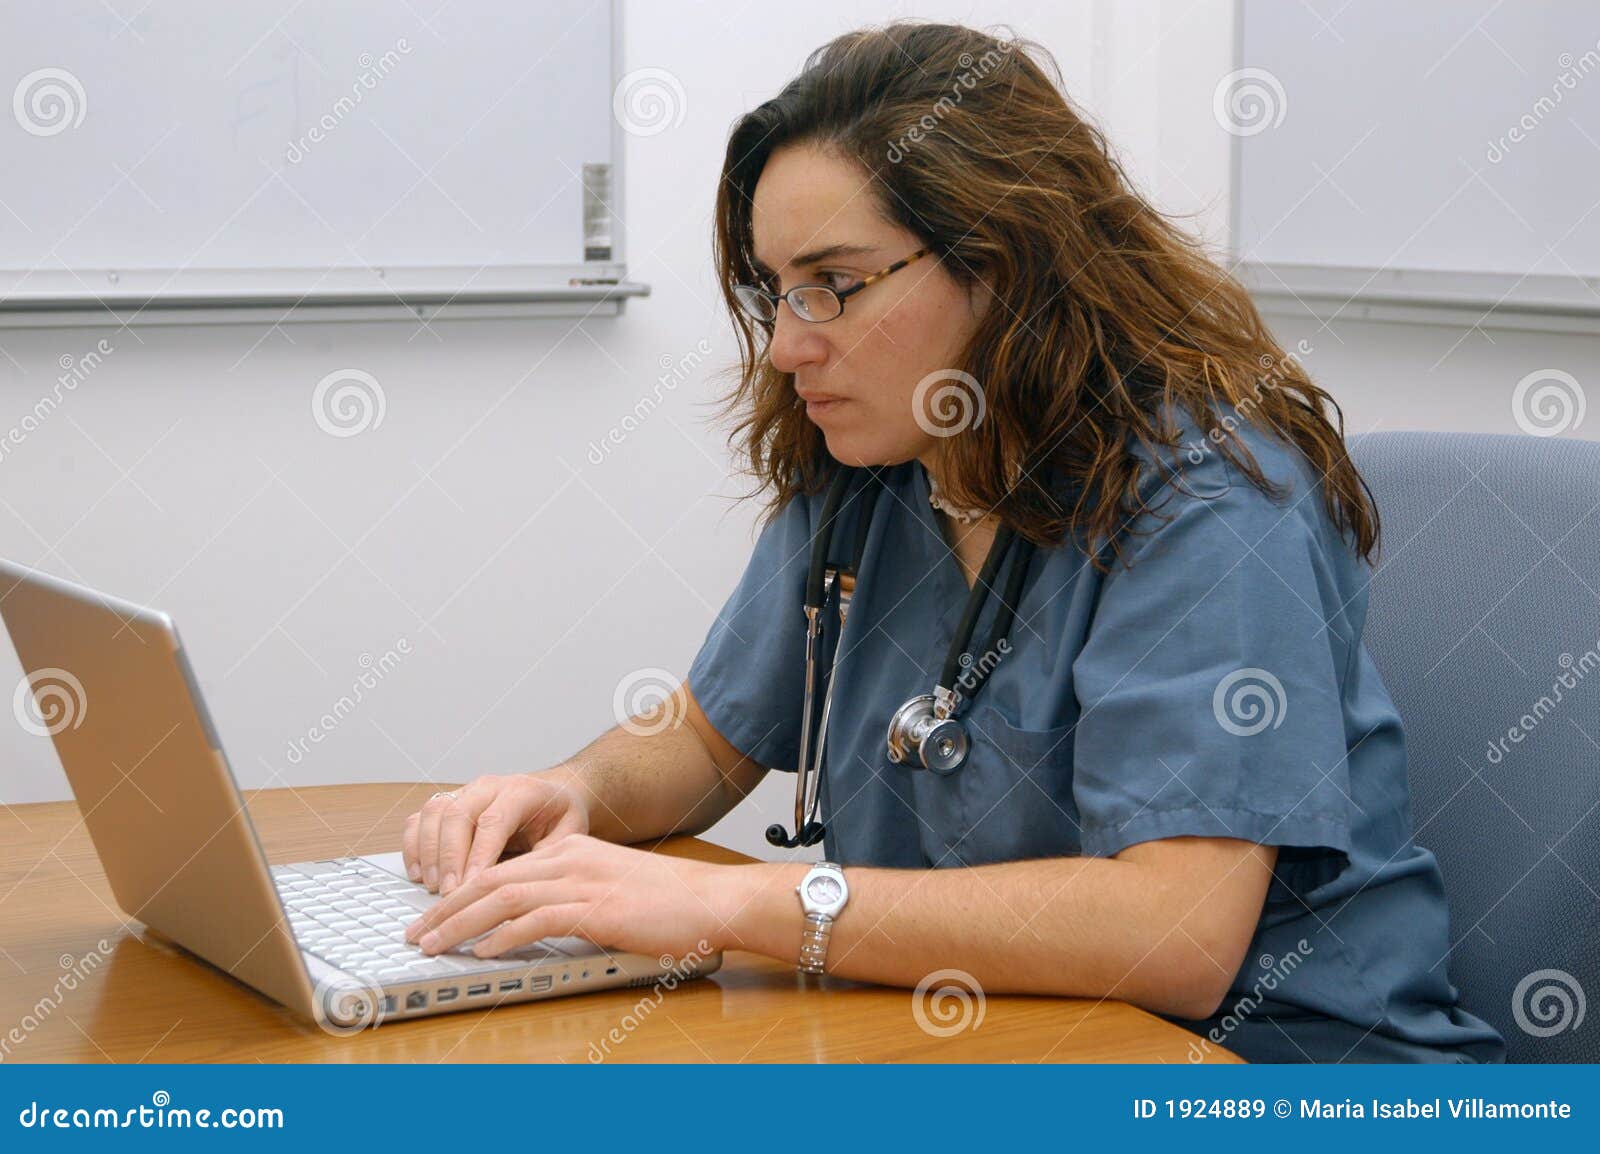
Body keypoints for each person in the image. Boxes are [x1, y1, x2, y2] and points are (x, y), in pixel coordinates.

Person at [398, 20, 1504, 1063]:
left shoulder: (1202, 499)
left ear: (1003, 262)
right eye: (776, 292)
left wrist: (732, 900)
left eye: (833, 286)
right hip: (983, 1042)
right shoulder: (875, 468)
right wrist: (572, 790)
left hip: (1272, 1069)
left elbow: (1174, 931)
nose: (785, 346)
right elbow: (704, 736)